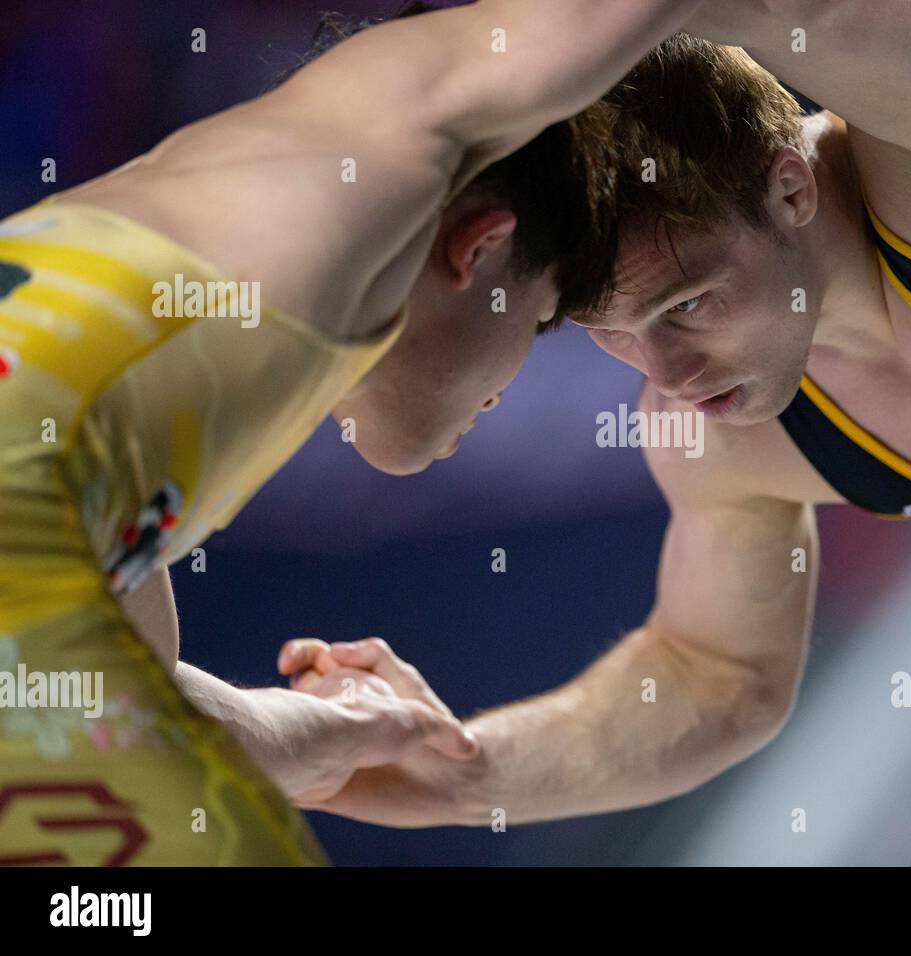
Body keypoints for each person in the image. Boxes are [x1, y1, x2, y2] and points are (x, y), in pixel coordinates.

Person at [287, 5, 911, 867]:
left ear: (788, 186)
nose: (671, 376)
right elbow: (715, 676)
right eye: (613, 335)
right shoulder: (714, 431)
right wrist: (465, 768)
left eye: (688, 303)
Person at [0, 0, 704, 865]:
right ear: (480, 253)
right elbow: (545, 43)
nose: (503, 393)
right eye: (542, 318)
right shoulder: (374, 173)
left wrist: (341, 727)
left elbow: (127, 717)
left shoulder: (135, 437)